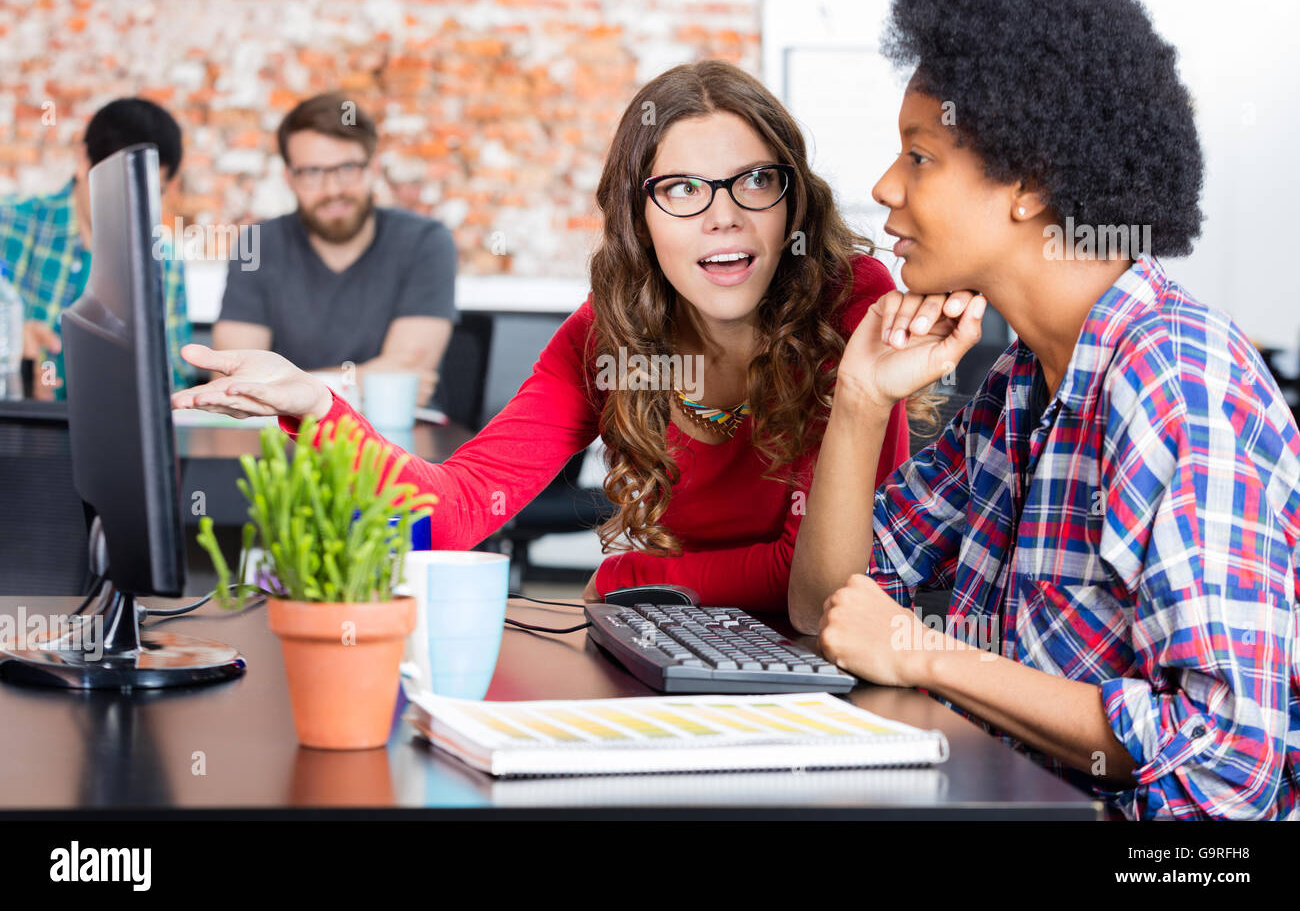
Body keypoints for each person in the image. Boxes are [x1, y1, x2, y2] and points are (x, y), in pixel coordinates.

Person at [790, 0, 1300, 820]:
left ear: (1026, 181)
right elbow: (830, 609)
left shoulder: (1178, 381)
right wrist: (862, 398)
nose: (882, 187)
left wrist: (923, 653)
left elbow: (1227, 761)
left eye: (919, 157)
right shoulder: (1019, 386)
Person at [172, 60, 919, 612]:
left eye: (756, 180)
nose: (723, 215)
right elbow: (458, 507)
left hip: (830, 669)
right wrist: (315, 405)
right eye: (682, 189)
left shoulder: (852, 306)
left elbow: (821, 582)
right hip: (682, 646)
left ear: (792, 200)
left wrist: (631, 577)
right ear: (639, 218)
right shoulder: (609, 334)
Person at [214, 93, 455, 406]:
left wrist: (279, 390)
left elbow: (407, 374)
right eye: (312, 173)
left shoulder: (426, 242)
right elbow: (230, 383)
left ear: (374, 168)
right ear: (290, 178)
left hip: (395, 444)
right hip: (284, 441)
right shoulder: (256, 245)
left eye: (347, 168)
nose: (332, 190)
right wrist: (364, 382)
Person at [0, 97, 194, 397]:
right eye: (117, 186)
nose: (131, 207)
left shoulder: (164, 261)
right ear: (83, 160)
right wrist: (15, 351)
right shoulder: (9, 225)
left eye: (149, 193)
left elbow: (174, 381)